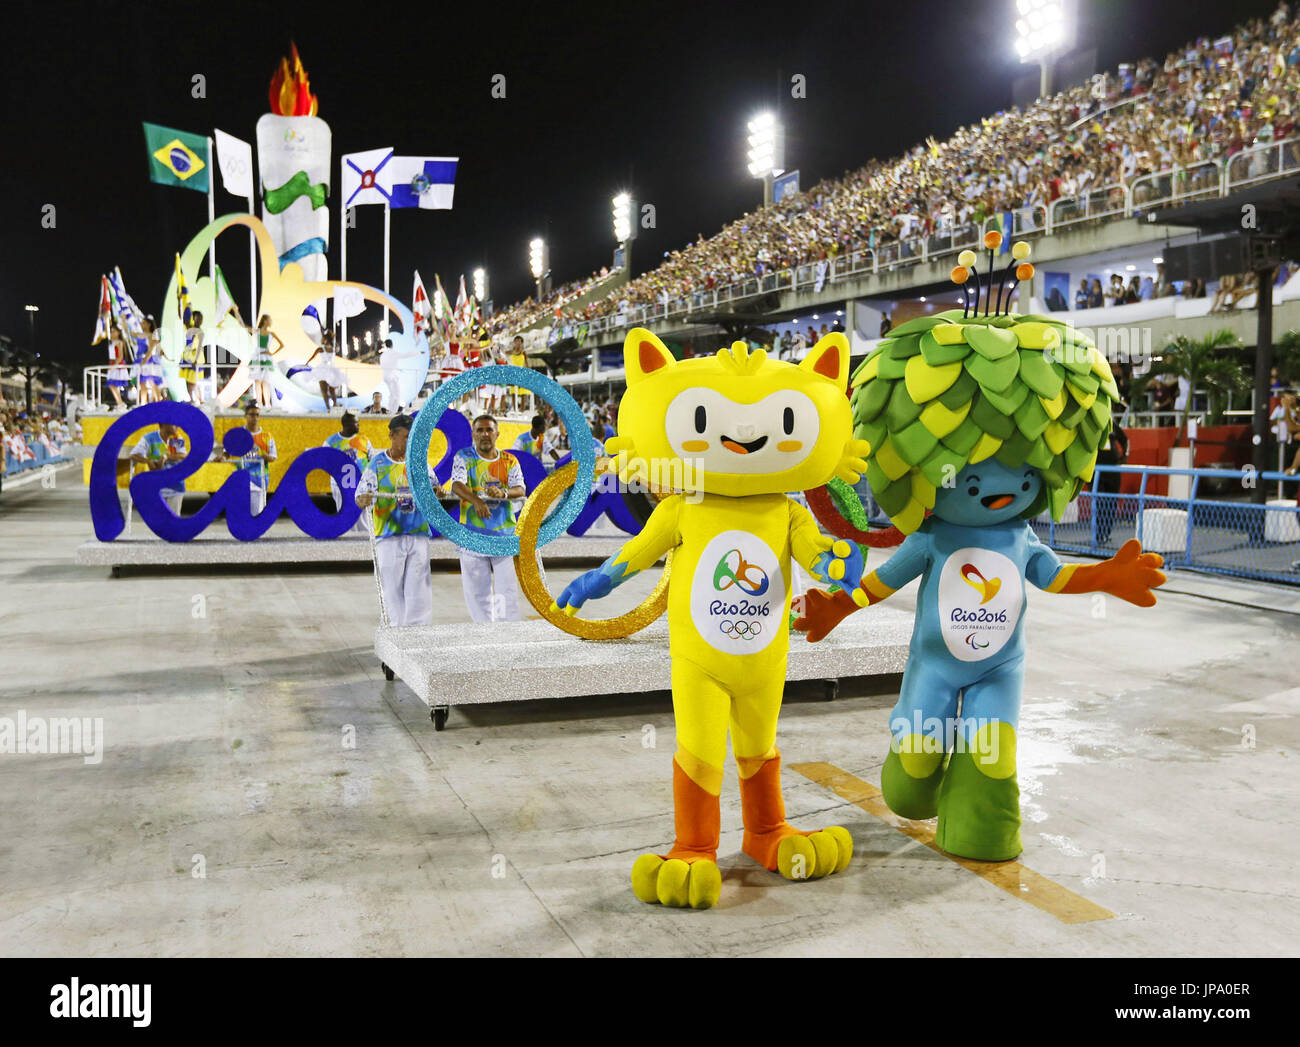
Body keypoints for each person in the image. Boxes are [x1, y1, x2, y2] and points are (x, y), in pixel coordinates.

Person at [355, 414, 440, 627]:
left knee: (419, 590)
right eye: (405, 437)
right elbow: (360, 496)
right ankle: (393, 637)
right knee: (390, 590)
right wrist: (365, 497)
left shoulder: (419, 463)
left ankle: (416, 637)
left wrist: (438, 491)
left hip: (418, 535)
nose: (409, 443)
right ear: (391, 435)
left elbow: (435, 488)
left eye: (413, 438)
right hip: (389, 537)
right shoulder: (378, 463)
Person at [449, 414, 526, 622]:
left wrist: (505, 494)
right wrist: (477, 501)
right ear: (473, 434)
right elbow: (457, 485)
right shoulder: (463, 456)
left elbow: (520, 488)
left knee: (506, 592)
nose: (485, 434)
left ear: (497, 434)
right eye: (480, 430)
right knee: (477, 594)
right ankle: (484, 635)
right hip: (472, 536)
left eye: (489, 430)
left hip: (504, 536)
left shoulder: (510, 460)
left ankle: (507, 636)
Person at [219, 404, 277, 514]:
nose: (255, 418)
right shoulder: (239, 434)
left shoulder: (266, 436)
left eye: (257, 415)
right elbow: (227, 452)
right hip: (241, 477)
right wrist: (222, 457)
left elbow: (272, 458)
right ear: (245, 416)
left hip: (260, 480)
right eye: (252, 415)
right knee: (240, 512)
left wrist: (261, 453)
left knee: (256, 514)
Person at [323, 411, 374, 533]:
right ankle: (345, 535)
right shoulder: (331, 442)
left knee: (362, 513)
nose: (359, 426)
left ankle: (364, 536)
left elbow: (372, 460)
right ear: (346, 424)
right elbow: (324, 462)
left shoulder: (364, 440)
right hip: (340, 484)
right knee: (344, 510)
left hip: (360, 483)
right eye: (356, 423)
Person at [129, 422, 188, 514]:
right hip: (157, 487)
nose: (177, 426)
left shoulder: (176, 438)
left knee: (173, 521)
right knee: (159, 522)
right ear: (164, 424)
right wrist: (148, 461)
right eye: (174, 424)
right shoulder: (149, 438)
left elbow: (182, 455)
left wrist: (166, 457)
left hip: (176, 486)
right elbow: (133, 455)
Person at [1094, 422, 1130, 545]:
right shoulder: (1091, 424)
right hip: (1096, 470)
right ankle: (1098, 534)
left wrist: (1125, 455)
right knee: (1099, 502)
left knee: (1112, 502)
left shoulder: (1111, 424)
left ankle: (1106, 532)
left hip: (1113, 470)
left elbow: (1125, 439)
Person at [248, 315, 284, 409]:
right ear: (265, 321)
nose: (270, 322)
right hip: (257, 356)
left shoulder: (271, 333)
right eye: (269, 320)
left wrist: (272, 353)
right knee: (257, 381)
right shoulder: (257, 331)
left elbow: (281, 345)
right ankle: (259, 403)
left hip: (266, 357)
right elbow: (245, 327)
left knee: (265, 381)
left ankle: (267, 404)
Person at [137, 317, 165, 404]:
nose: (142, 324)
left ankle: (158, 401)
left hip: (150, 361)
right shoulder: (141, 335)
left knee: (151, 381)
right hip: (142, 359)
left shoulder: (152, 336)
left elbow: (151, 350)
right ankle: (144, 403)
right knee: (142, 382)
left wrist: (144, 361)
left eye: (144, 323)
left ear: (149, 324)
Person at [179, 311, 205, 404]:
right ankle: (191, 398)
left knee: (194, 380)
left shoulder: (200, 332)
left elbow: (199, 347)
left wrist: (196, 359)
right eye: (196, 318)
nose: (198, 320)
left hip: (195, 357)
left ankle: (199, 399)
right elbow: (183, 319)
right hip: (187, 356)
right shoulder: (190, 328)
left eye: (200, 319)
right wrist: (180, 302)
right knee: (188, 379)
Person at [105, 323, 131, 410]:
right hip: (112, 364)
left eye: (114, 331)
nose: (112, 333)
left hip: (117, 365)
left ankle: (120, 403)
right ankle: (120, 403)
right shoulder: (111, 342)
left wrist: (114, 366)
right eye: (111, 331)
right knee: (112, 385)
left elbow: (120, 356)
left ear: (118, 333)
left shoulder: (119, 342)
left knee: (113, 384)